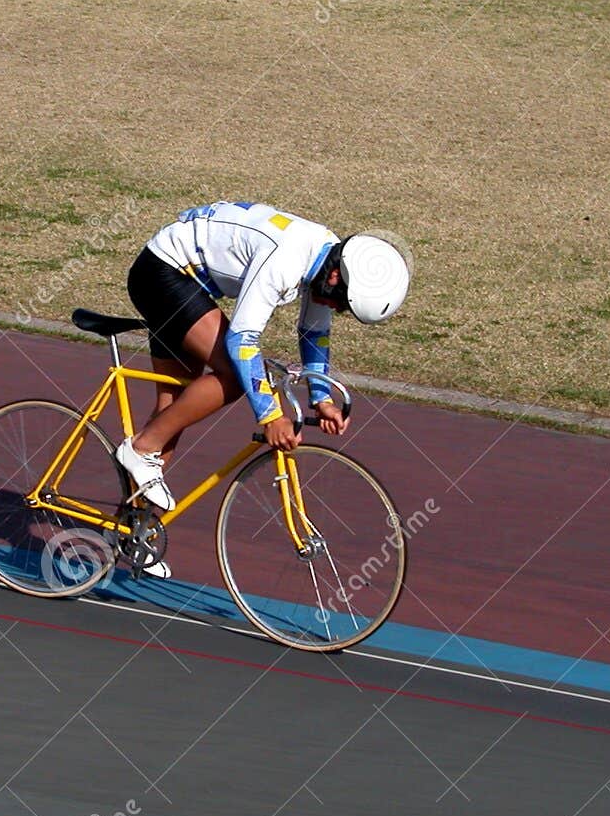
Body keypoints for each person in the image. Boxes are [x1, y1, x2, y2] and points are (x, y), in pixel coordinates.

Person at [116, 201, 410, 560]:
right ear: (336, 277)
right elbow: (241, 340)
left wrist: (321, 398)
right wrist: (270, 415)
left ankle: (134, 534)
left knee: (173, 414)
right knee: (234, 378)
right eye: (341, 304)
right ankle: (140, 449)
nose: (337, 310)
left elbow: (313, 331)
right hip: (164, 275)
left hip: (184, 281)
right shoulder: (286, 259)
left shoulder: (328, 256)